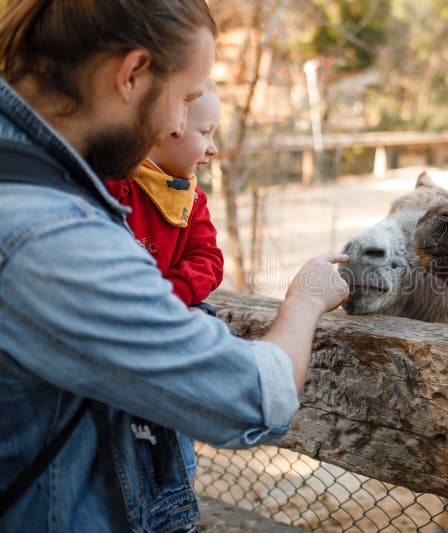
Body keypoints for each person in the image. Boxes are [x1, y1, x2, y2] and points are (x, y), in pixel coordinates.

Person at [0, 2, 348, 532]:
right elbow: (250, 398)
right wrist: (304, 299)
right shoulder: (54, 239)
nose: (180, 124)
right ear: (133, 74)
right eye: (185, 98)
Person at [104, 80, 225, 482]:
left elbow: (208, 258)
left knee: (169, 427)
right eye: (204, 133)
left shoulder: (193, 200)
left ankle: (177, 480)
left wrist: (169, 294)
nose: (213, 148)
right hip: (115, 337)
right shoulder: (114, 187)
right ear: (164, 126)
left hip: (166, 324)